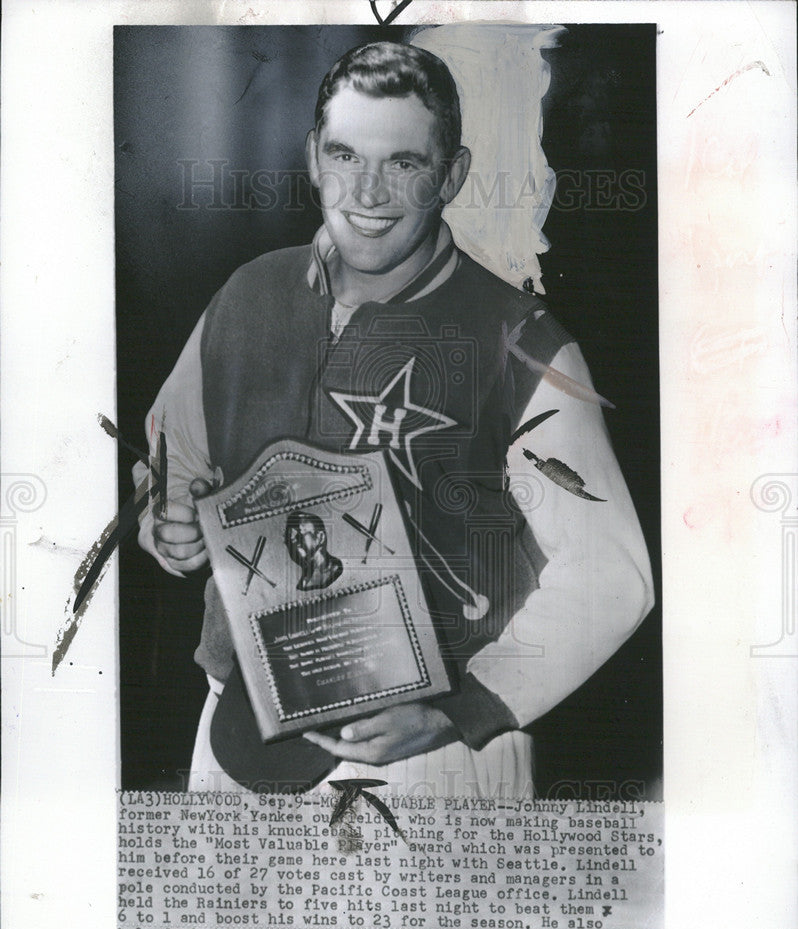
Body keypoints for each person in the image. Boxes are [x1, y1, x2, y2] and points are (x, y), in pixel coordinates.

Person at [133, 41, 654, 798]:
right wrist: (167, 526)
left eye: (404, 164)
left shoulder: (527, 344)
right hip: (236, 736)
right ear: (313, 157)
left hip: (430, 759)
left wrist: (461, 708)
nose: (367, 193)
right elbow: (169, 467)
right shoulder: (246, 295)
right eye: (345, 155)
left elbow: (613, 577)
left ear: (453, 174)